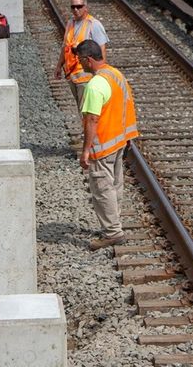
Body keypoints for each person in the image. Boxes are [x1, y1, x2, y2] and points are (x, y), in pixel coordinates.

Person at [74, 39, 139, 250]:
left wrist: (85, 150)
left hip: (103, 145)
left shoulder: (94, 85)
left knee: (102, 188)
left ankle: (112, 232)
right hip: (120, 140)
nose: (80, 64)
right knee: (115, 185)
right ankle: (114, 223)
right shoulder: (115, 74)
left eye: (81, 60)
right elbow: (125, 103)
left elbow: (91, 120)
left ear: (88, 59)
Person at [53, 0, 108, 106]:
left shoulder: (94, 24)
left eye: (79, 6)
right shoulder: (70, 23)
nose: (76, 9)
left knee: (86, 109)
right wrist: (59, 66)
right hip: (72, 74)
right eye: (73, 7)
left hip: (86, 74)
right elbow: (65, 47)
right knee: (81, 108)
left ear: (86, 8)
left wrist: (101, 74)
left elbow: (102, 50)